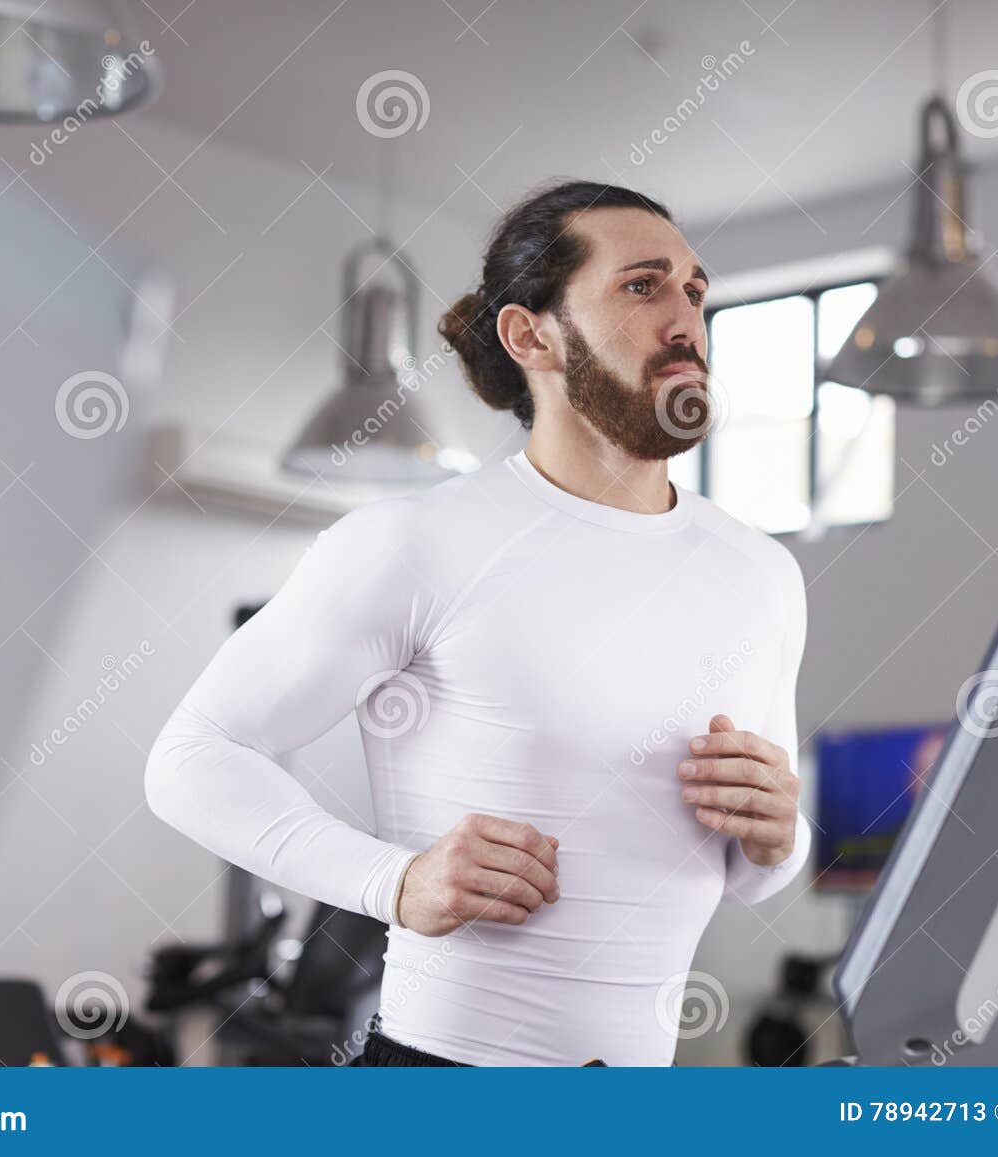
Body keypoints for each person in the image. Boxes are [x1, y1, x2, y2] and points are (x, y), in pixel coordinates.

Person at [145, 179, 811, 1066]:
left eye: (695, 289)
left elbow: (752, 874)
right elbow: (191, 758)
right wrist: (397, 880)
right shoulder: (415, 543)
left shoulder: (761, 573)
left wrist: (776, 834)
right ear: (531, 334)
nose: (686, 317)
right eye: (642, 285)